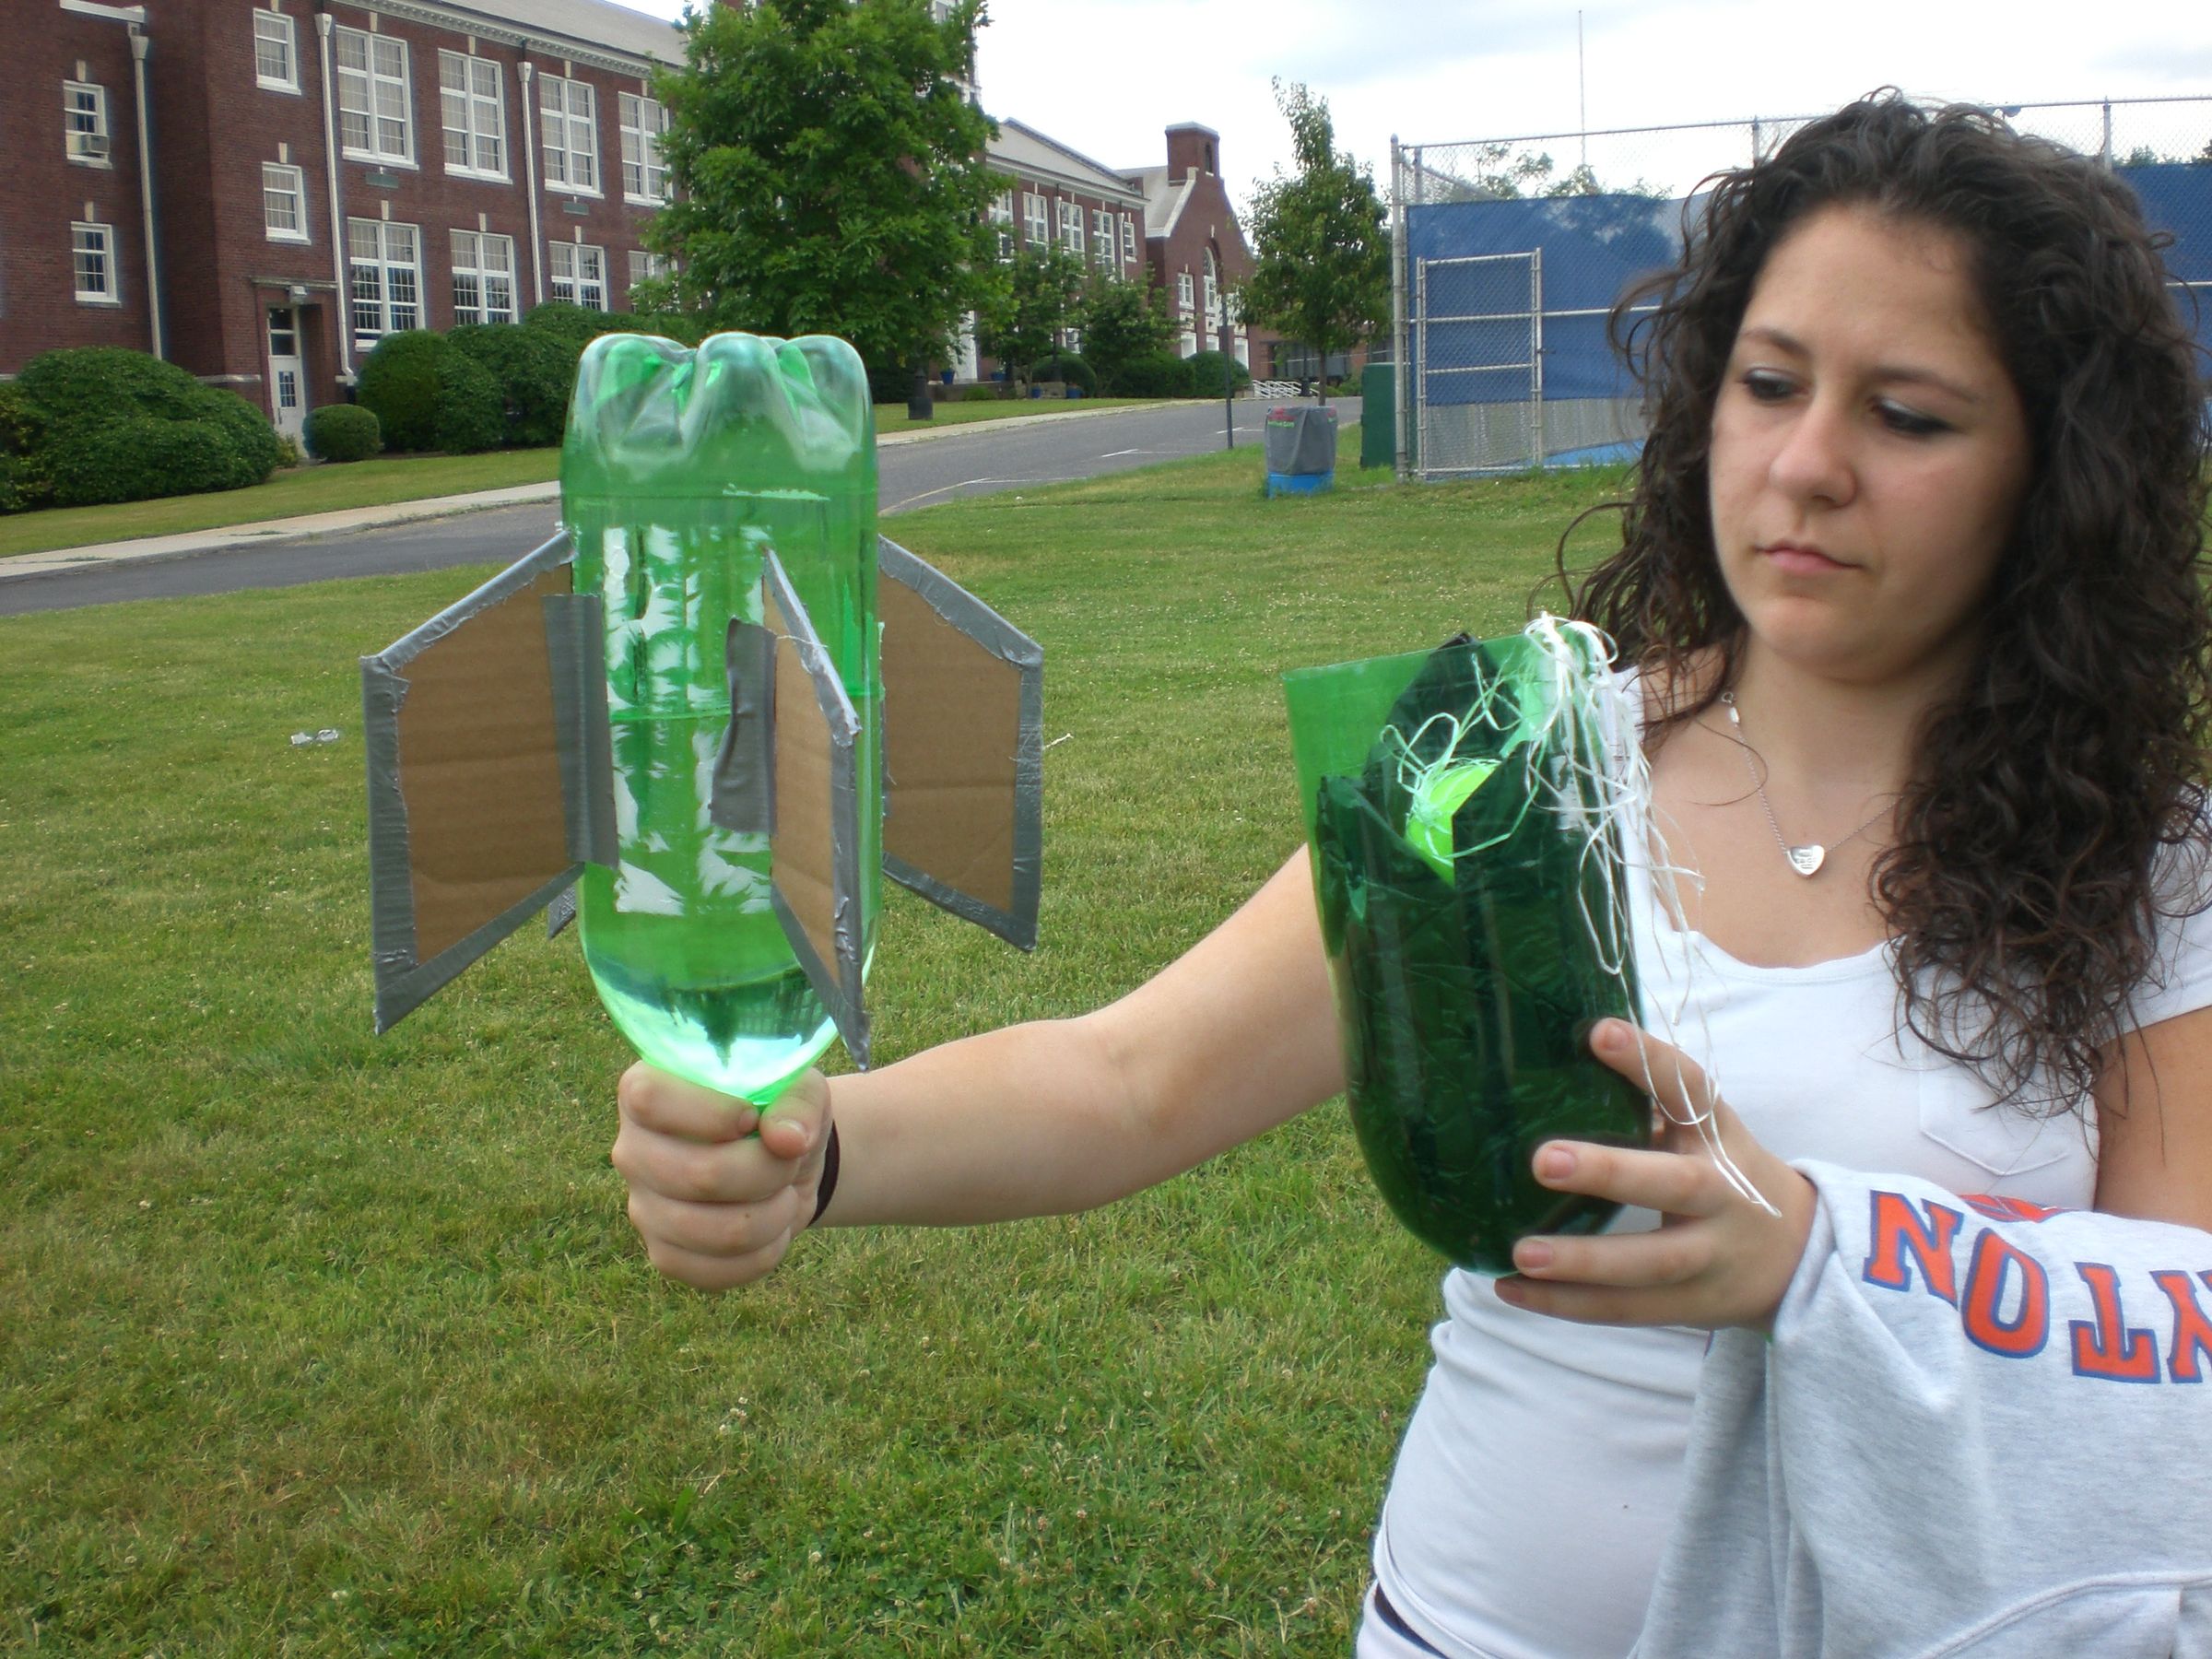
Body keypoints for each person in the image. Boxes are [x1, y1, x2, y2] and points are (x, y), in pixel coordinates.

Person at [609, 94, 2212, 1658]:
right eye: (1768, 382)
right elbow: (1136, 1077)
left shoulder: (2148, 866)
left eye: (1909, 415)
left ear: (2051, 472)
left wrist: (1811, 1257)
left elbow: (2172, 1350)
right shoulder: (1506, 762)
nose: (1805, 464)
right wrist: (815, 1154)